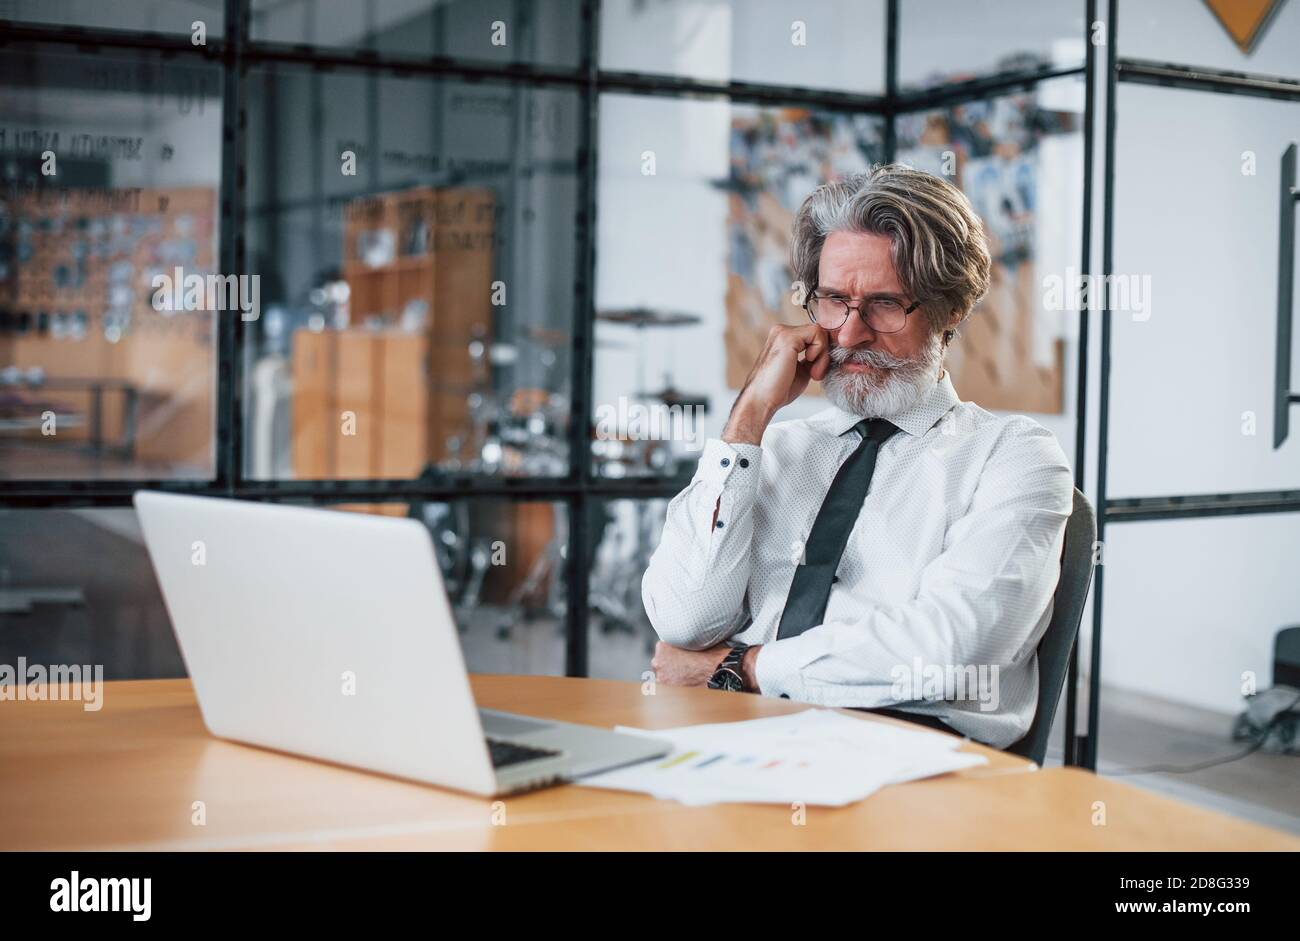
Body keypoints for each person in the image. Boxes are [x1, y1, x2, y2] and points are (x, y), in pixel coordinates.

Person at [641, 163, 1073, 749]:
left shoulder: (1014, 457)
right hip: (738, 739)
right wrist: (748, 420)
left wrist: (740, 669)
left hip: (911, 757)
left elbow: (950, 648)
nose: (848, 334)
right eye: (833, 300)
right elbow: (684, 621)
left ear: (951, 311)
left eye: (885, 305)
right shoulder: (777, 449)